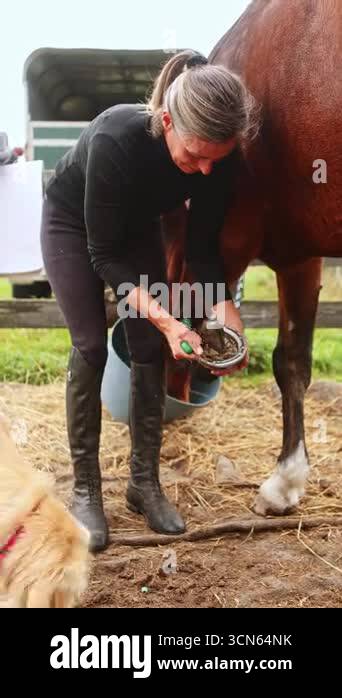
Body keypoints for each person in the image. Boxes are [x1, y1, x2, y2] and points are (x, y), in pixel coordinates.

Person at [40, 49, 254, 552]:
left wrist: (226, 317)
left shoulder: (217, 159)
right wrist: (167, 319)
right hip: (76, 227)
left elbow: (201, 250)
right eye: (193, 155)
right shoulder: (118, 135)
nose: (203, 171)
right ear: (165, 121)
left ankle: (144, 484)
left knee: (148, 347)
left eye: (214, 159)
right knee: (92, 345)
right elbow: (104, 256)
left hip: (135, 229)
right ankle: (88, 490)